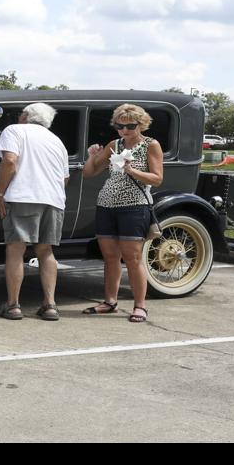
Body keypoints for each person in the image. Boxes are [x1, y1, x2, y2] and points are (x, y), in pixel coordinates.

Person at [82, 103, 164, 324]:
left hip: (134, 205)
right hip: (107, 204)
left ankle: (140, 306)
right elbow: (89, 173)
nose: (124, 131)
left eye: (130, 126)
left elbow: (157, 178)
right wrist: (92, 156)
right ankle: (110, 302)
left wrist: (132, 170)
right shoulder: (114, 144)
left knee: (133, 257)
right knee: (110, 257)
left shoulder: (150, 145)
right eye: (120, 126)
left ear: (141, 124)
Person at [0, 102, 69, 321]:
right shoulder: (56, 141)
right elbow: (65, 178)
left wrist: (0, 194)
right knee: (46, 251)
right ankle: (50, 304)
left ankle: (13, 305)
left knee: (16, 249)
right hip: (53, 199)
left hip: (23, 196)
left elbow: (9, 161)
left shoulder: (14, 130)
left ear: (25, 116)